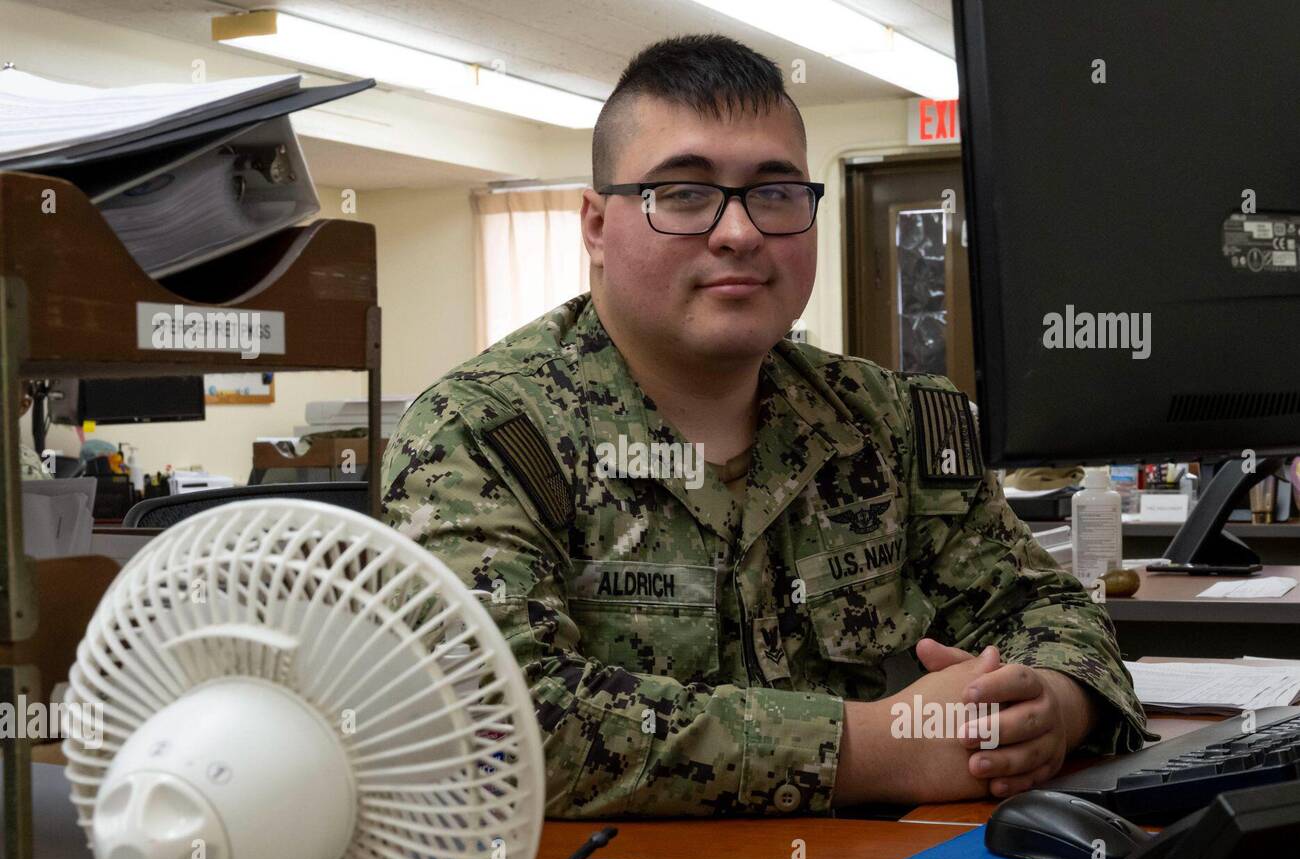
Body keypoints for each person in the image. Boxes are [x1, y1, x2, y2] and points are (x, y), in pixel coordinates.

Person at [382, 34, 1150, 817]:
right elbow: (492, 722)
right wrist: (874, 749)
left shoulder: (891, 421)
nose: (739, 232)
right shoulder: (479, 435)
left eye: (775, 193)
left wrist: (1052, 703)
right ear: (595, 225)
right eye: (682, 193)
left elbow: (1047, 611)